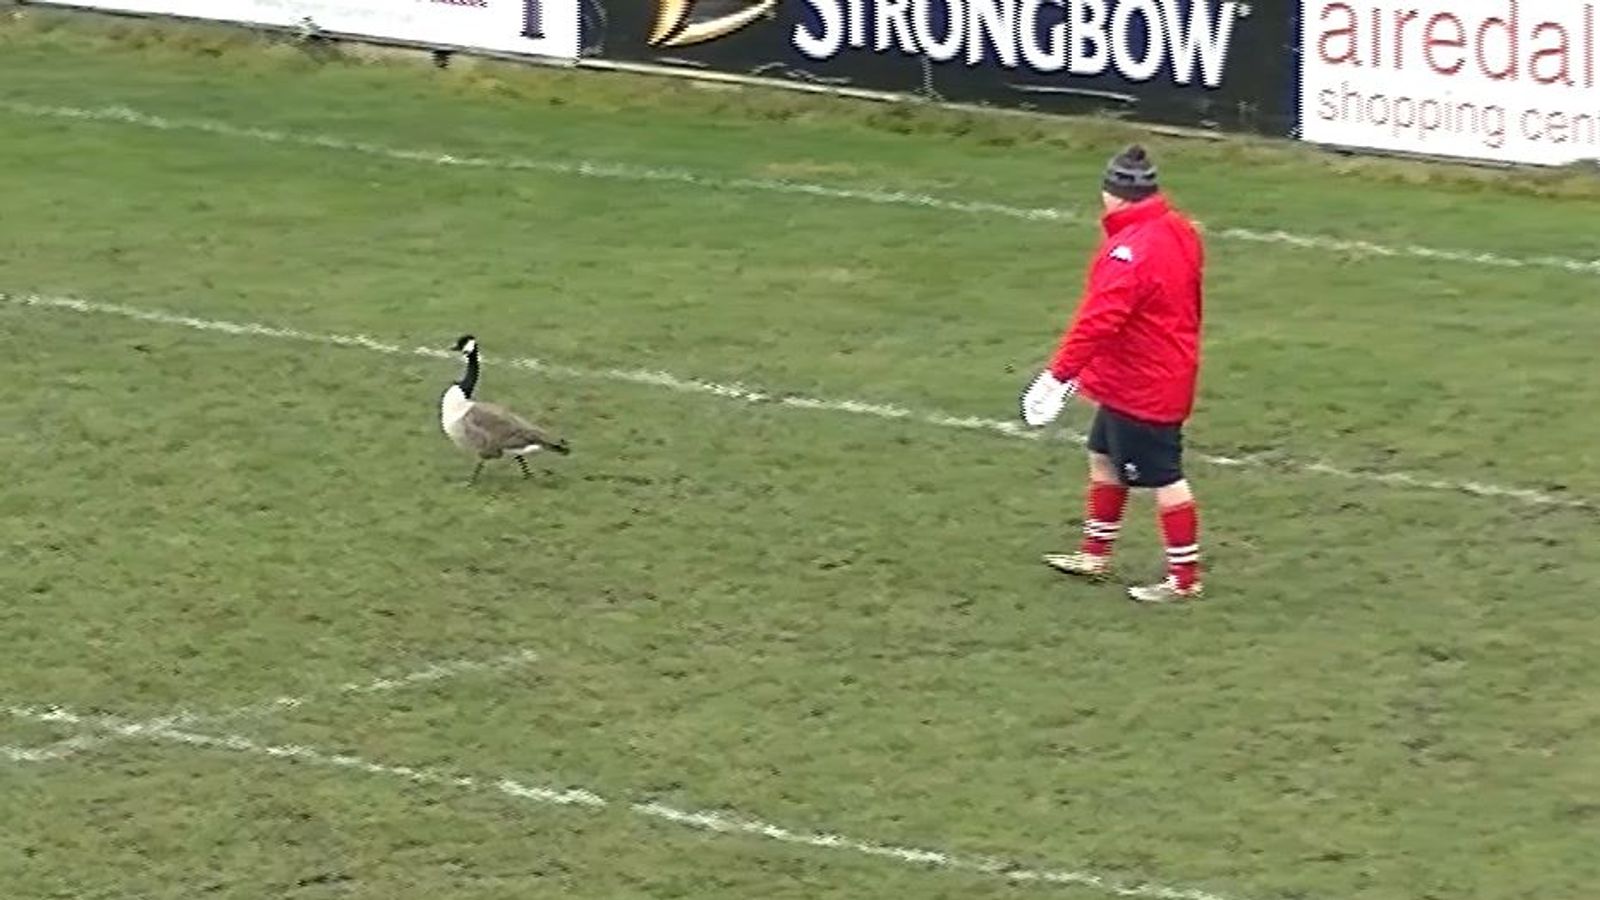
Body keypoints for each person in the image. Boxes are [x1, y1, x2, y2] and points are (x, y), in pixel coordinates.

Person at [1019, 144, 1206, 604]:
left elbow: (1099, 320)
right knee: (1102, 455)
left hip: (1143, 381)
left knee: (1164, 476)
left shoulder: (1129, 251)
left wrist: (1059, 374)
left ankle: (1184, 578)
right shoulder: (1178, 229)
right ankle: (1095, 553)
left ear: (1112, 193)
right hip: (1153, 371)